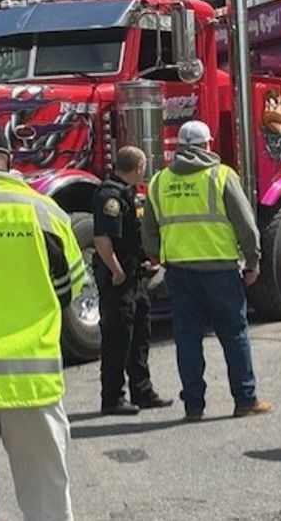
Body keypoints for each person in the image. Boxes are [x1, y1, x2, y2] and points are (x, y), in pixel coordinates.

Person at [0, 117, 84, 520]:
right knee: (47, 504)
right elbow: (70, 291)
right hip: (33, 383)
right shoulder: (44, 211)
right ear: (7, 159)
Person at [141, 120, 272, 422]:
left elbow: (148, 232)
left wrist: (158, 256)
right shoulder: (221, 175)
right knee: (234, 336)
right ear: (208, 144)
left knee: (187, 340)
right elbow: (246, 225)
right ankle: (245, 400)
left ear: (180, 147)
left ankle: (193, 405)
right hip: (220, 273)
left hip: (179, 274)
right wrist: (252, 262)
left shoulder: (159, 181)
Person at [93, 146, 173, 415]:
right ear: (139, 167)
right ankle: (112, 398)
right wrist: (116, 271)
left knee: (140, 335)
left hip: (135, 276)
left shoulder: (127, 193)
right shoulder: (110, 196)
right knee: (118, 338)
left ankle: (142, 391)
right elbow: (102, 238)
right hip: (118, 281)